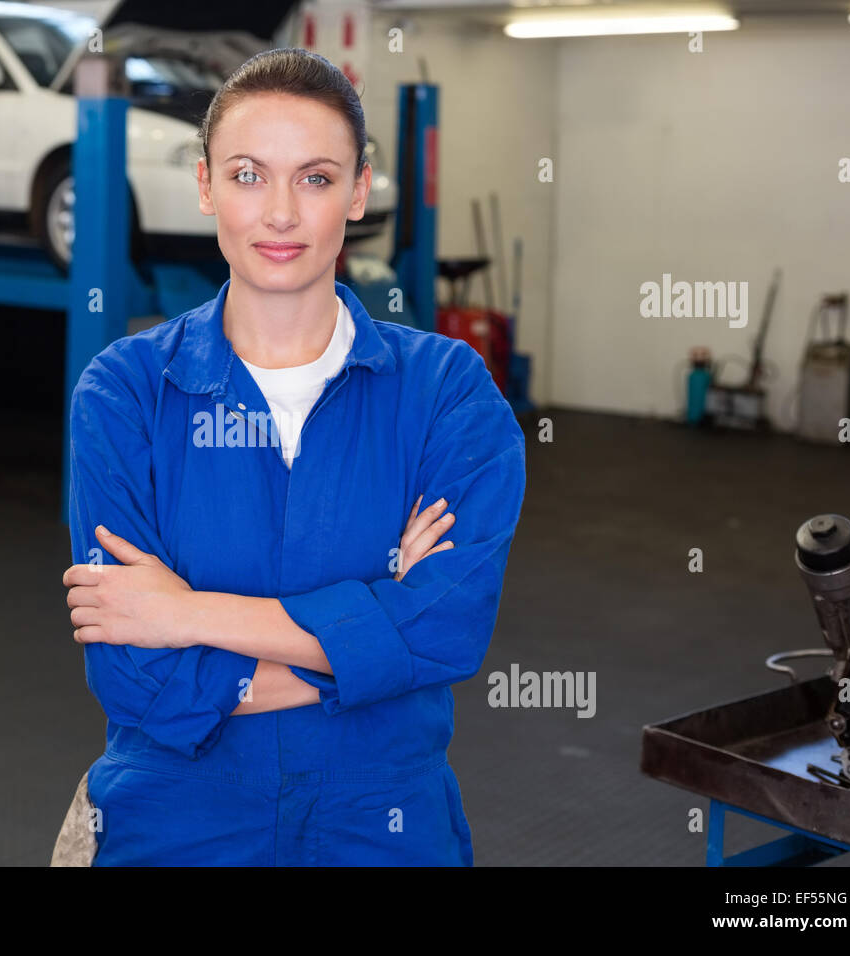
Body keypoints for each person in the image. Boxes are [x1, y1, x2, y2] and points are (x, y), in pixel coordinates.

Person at [61, 47, 526, 866]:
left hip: (380, 823)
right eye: (247, 175)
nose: (280, 213)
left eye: (314, 178)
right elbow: (135, 673)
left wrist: (185, 612)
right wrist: (376, 645)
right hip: (175, 820)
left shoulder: (446, 392)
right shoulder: (126, 393)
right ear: (206, 185)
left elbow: (448, 629)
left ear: (357, 190)